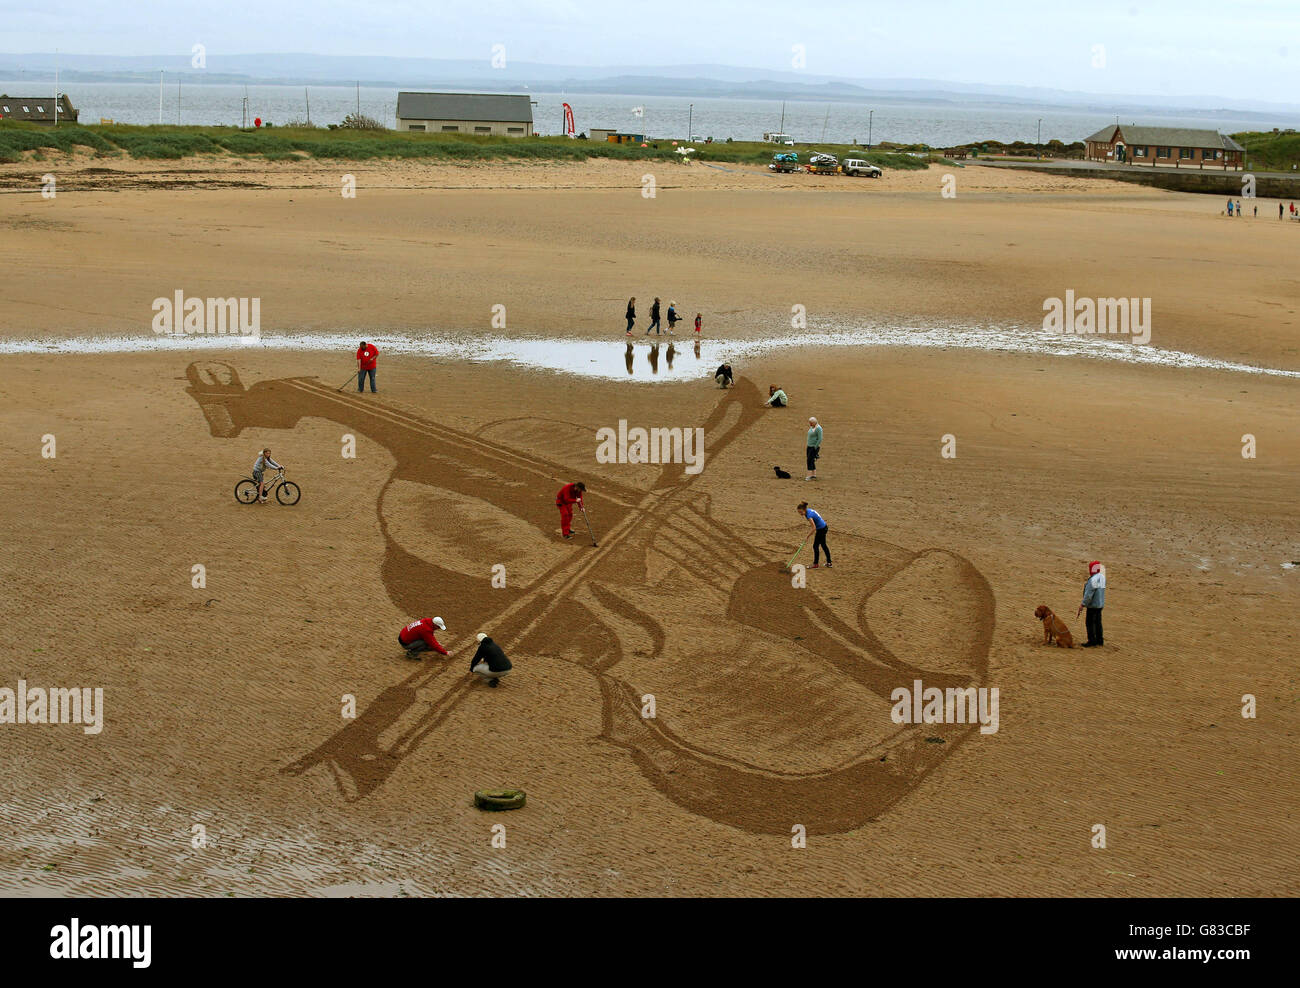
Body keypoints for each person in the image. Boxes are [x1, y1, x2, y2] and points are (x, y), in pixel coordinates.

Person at [1077, 561, 1106, 647]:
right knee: (1098, 623)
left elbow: (1088, 595)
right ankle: (1099, 640)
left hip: (1093, 605)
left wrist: (1082, 604)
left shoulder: (1093, 579)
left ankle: (1092, 641)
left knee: (1089, 623)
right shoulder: (1102, 577)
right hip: (1100, 604)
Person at [797, 501, 832, 568]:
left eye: (801, 512)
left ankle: (815, 564)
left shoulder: (809, 515)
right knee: (823, 545)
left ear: (804, 510)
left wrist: (807, 537)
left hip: (821, 529)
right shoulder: (808, 510)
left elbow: (814, 528)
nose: (800, 514)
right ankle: (829, 562)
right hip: (824, 527)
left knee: (815, 546)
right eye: (799, 512)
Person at [806, 416, 823, 481]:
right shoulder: (812, 427)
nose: (809, 424)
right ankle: (813, 474)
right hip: (809, 446)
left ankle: (809, 475)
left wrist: (815, 447)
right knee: (811, 460)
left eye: (811, 423)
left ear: (814, 422)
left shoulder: (819, 428)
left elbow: (820, 438)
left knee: (809, 460)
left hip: (813, 447)